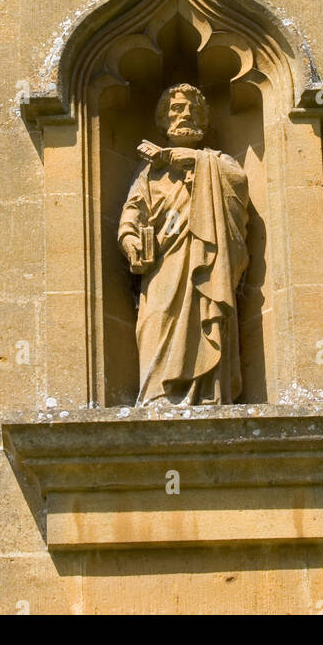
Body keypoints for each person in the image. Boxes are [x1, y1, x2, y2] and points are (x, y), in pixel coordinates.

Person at [118, 83, 250, 405]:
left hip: (208, 262)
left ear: (203, 119)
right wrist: (130, 240)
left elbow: (240, 186)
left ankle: (208, 391)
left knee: (206, 315)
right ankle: (156, 395)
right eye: (176, 109)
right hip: (164, 264)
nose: (185, 115)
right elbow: (131, 213)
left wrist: (188, 160)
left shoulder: (218, 163)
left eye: (192, 109)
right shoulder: (149, 172)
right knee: (157, 318)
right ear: (164, 120)